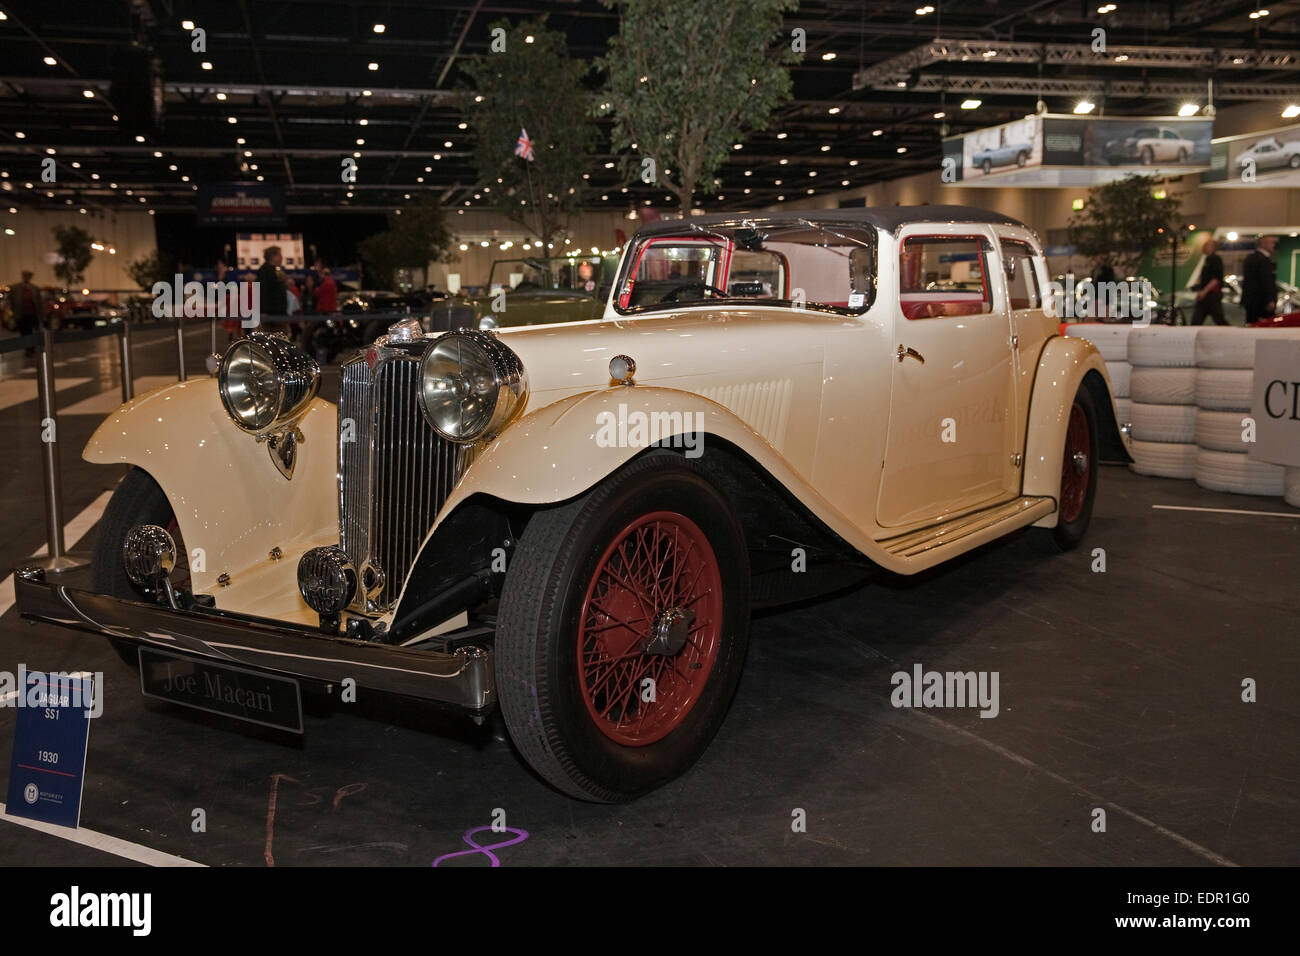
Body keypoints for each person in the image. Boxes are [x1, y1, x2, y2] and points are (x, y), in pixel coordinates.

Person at [1241, 235, 1278, 325]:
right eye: (1272, 242)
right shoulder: (1264, 260)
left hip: (1250, 300)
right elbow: (1266, 280)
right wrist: (1270, 299)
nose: (1274, 245)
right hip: (1261, 301)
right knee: (1265, 325)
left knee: (1252, 323)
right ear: (1264, 244)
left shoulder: (1249, 258)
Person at [1190, 238, 1226, 326]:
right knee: (1197, 320)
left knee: (1219, 319)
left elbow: (1216, 278)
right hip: (1208, 295)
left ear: (1213, 247)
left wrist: (1204, 292)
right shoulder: (1208, 259)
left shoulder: (1215, 259)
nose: (1204, 247)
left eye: (1207, 245)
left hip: (1211, 295)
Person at [11, 270, 44, 356]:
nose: (26, 278)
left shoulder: (35, 289)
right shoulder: (16, 288)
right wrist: (14, 314)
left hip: (32, 315)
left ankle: (31, 348)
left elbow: (40, 304)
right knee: (24, 333)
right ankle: (27, 348)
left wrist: (41, 317)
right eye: (25, 276)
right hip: (22, 315)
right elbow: (12, 302)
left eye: (28, 276)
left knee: (32, 332)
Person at [255, 245, 288, 318]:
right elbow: (262, 291)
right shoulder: (264, 271)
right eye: (279, 255)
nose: (282, 257)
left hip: (279, 313)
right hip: (270, 314)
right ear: (273, 256)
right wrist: (263, 311)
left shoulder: (276, 270)